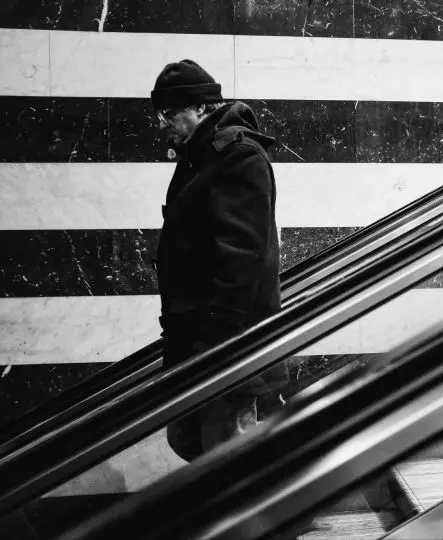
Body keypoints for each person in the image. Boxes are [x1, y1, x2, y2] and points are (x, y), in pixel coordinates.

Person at [151, 59, 289, 461]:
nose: (162, 124)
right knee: (189, 438)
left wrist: (214, 344)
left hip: (224, 344)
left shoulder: (238, 156)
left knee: (227, 454)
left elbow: (242, 258)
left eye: (169, 113)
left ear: (201, 107)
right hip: (196, 340)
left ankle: (267, 520)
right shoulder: (200, 156)